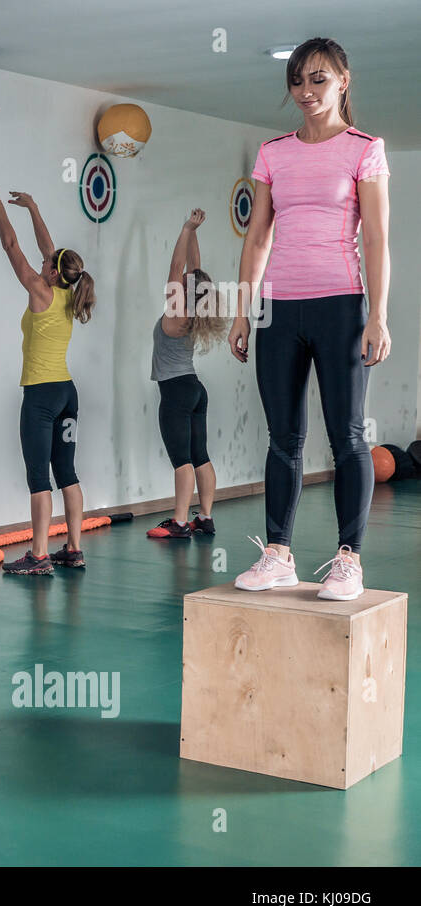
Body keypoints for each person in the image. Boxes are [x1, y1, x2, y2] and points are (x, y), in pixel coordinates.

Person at [228, 38, 391, 600]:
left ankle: (349, 559)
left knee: (347, 435)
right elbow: (257, 238)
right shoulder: (273, 153)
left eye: (317, 80)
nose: (305, 92)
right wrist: (244, 311)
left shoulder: (365, 148)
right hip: (277, 307)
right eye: (297, 82)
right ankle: (278, 554)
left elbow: (375, 237)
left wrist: (379, 316)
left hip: (341, 304)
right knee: (283, 439)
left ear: (343, 79)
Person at [0, 189, 96, 574]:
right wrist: (35, 207)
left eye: (47, 261)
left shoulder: (40, 289)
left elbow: (12, 246)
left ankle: (40, 555)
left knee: (38, 475)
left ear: (51, 271)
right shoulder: (68, 290)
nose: (44, 259)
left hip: (42, 396)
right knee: (68, 472)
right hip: (67, 393)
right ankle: (74, 549)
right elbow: (51, 251)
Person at [147, 209, 227, 539]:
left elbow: (176, 268)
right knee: (200, 456)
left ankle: (180, 522)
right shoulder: (197, 308)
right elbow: (192, 270)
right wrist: (194, 233)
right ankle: (204, 518)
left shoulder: (176, 311)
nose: (178, 282)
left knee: (182, 459)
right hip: (195, 389)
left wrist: (183, 229)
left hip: (177, 392)